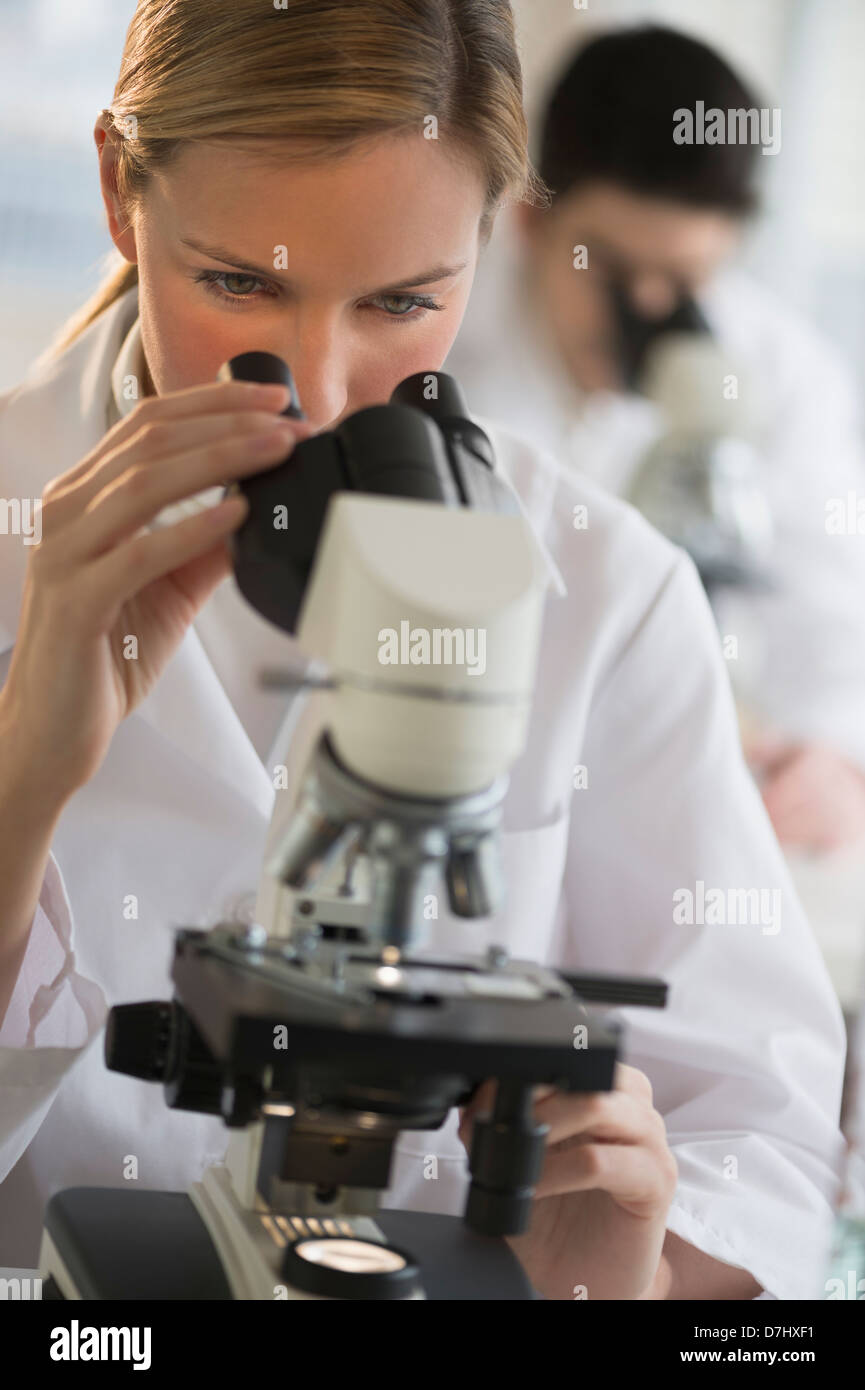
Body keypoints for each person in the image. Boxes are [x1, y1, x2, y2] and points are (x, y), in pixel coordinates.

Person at [0, 0, 846, 1300]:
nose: (326, 388)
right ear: (121, 191)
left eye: (403, 300)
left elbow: (764, 1131)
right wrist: (23, 783)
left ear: (489, 245)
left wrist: (629, 1279)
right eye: (240, 282)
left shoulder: (611, 593)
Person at [446, 24, 865, 856]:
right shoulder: (436, 337)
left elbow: (832, 626)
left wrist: (832, 761)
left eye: (681, 282)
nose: (644, 312)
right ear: (530, 215)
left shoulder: (780, 377)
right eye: (606, 268)